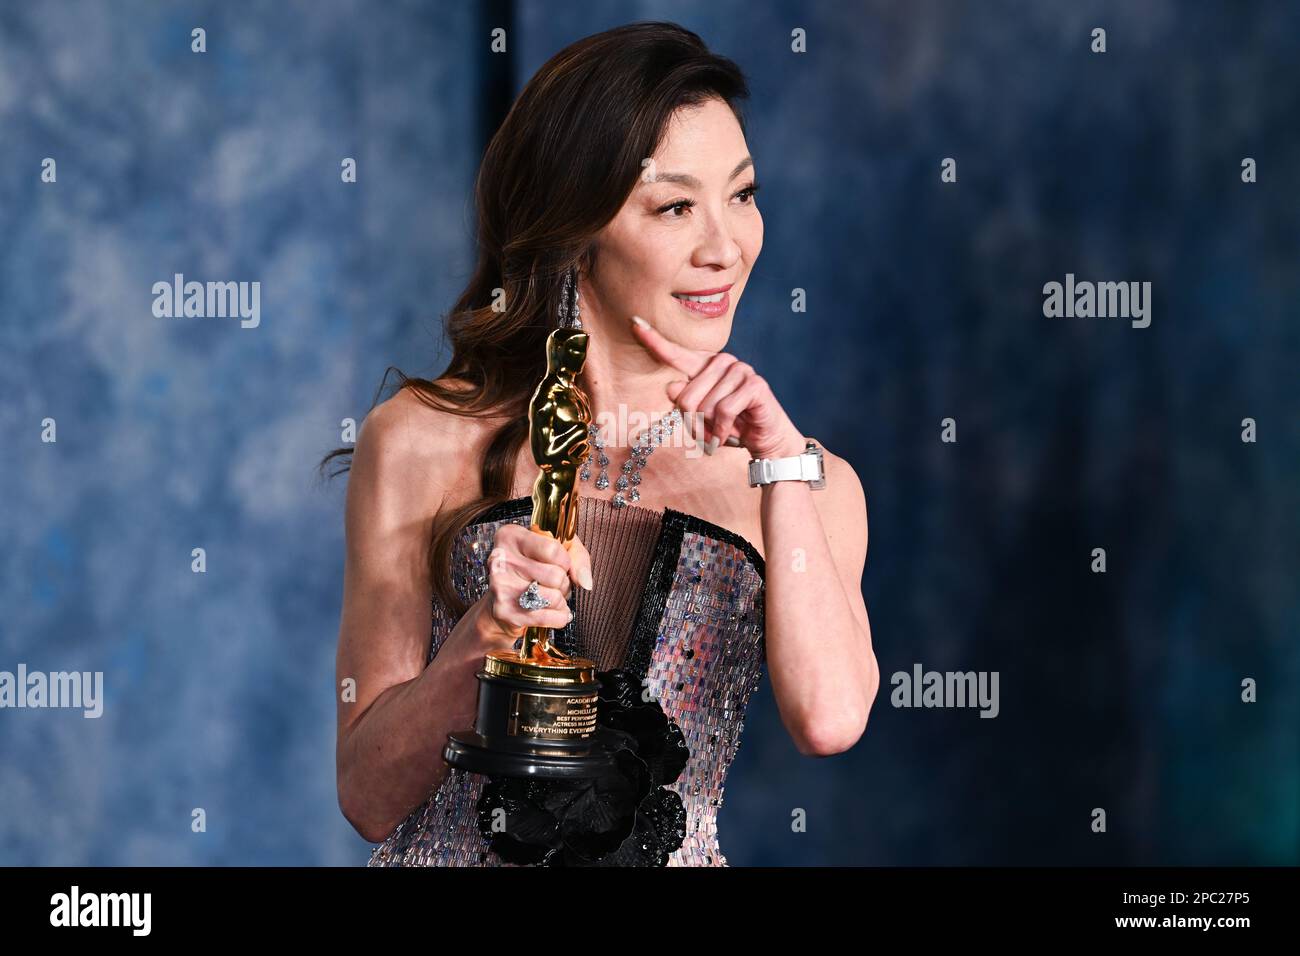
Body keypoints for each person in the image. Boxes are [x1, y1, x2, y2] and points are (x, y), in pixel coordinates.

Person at [329, 21, 878, 867]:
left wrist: (780, 468)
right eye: (675, 207)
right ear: (578, 226)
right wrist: (475, 647)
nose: (726, 247)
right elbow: (366, 797)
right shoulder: (416, 440)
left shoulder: (808, 476)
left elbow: (831, 718)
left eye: (743, 194)